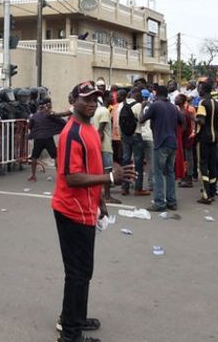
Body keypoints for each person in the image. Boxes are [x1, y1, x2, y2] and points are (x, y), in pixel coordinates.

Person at [52, 80, 136, 342]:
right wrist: (111, 179)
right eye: (85, 98)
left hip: (86, 208)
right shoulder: (72, 133)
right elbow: (72, 177)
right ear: (73, 100)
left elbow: (93, 167)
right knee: (78, 273)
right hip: (71, 211)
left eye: (95, 99)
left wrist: (101, 201)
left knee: (82, 272)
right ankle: (70, 333)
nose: (90, 103)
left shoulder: (89, 129)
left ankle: (74, 318)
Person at [140, 85, 183, 212]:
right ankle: (172, 202)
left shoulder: (155, 105)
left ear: (156, 94)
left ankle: (159, 202)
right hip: (172, 142)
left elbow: (142, 119)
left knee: (158, 173)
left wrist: (143, 107)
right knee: (170, 172)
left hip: (160, 143)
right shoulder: (173, 107)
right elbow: (181, 121)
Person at [118, 88, 147, 197]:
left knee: (126, 160)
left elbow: (118, 122)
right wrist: (143, 107)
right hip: (136, 135)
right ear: (136, 95)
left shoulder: (121, 105)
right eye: (139, 95)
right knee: (138, 162)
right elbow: (141, 121)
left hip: (125, 136)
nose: (141, 98)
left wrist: (122, 135)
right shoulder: (138, 105)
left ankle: (124, 187)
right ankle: (138, 188)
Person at [28, 98, 66, 182]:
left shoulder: (34, 115)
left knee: (34, 156)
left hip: (38, 139)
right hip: (48, 138)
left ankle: (33, 175)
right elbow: (62, 122)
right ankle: (59, 176)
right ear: (47, 105)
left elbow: (30, 126)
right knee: (55, 156)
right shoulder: (50, 114)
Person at [194, 81, 218, 204]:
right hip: (214, 137)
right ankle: (212, 192)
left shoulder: (203, 102)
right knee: (212, 165)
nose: (198, 90)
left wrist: (194, 117)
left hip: (204, 137)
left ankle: (206, 195)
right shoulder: (216, 102)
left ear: (204, 90)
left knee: (202, 165)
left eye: (199, 88)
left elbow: (202, 121)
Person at [91, 91, 119, 204]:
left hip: (98, 146)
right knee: (107, 172)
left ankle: (99, 194)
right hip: (105, 146)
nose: (114, 98)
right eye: (112, 96)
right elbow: (100, 132)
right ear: (106, 98)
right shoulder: (104, 111)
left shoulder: (97, 110)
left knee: (98, 172)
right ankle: (107, 195)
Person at [175, 93, 197, 188]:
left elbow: (183, 128)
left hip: (186, 139)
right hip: (185, 139)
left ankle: (188, 179)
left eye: (177, 98)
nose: (175, 99)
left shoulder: (183, 112)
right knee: (186, 158)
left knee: (188, 158)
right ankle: (185, 177)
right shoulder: (182, 111)